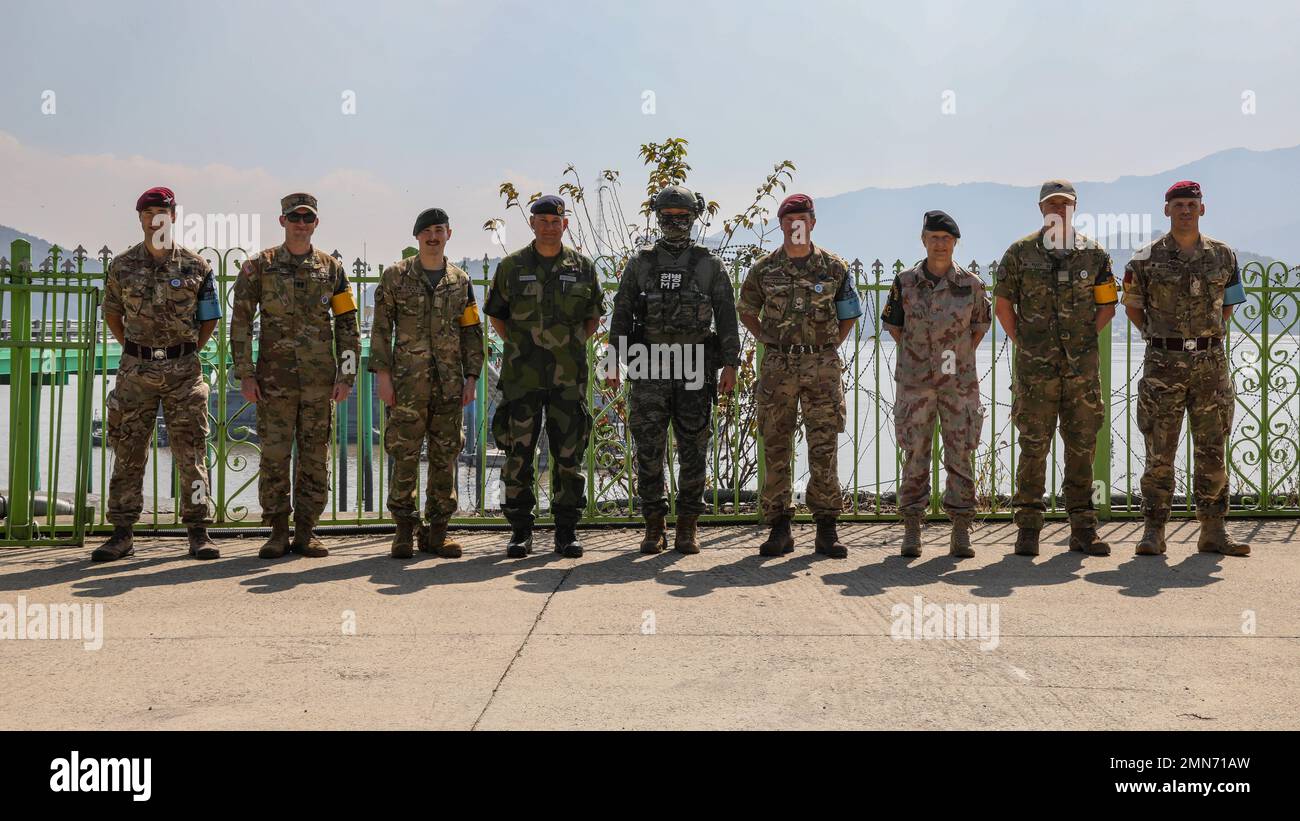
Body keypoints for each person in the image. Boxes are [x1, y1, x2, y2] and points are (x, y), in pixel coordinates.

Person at [606, 184, 740, 554]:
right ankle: (654, 525)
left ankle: (687, 527)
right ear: (658, 218)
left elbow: (727, 318)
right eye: (669, 217)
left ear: (694, 218)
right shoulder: (641, 264)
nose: (676, 223)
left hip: (694, 365)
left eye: (683, 217)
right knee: (648, 449)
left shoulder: (709, 266)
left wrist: (731, 364)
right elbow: (621, 312)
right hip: (648, 366)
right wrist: (611, 362)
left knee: (694, 448)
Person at [92, 186, 221, 562]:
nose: (155, 218)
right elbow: (113, 314)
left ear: (174, 216)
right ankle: (122, 533)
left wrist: (185, 350)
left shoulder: (197, 266)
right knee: (129, 450)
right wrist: (138, 349)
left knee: (190, 452)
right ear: (141, 219)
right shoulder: (122, 266)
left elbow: (209, 317)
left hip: (184, 371)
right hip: (137, 370)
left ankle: (199, 531)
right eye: (149, 212)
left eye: (162, 211)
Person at [1122, 180, 1249, 556]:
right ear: (1167, 210)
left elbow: (1229, 302)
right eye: (1178, 204)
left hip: (1211, 364)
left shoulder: (1223, 256)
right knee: (1159, 450)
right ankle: (1153, 531)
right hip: (1164, 364)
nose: (1185, 211)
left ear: (1202, 209)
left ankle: (1213, 530)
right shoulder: (1145, 259)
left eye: (1191, 204)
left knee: (1212, 447)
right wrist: (1155, 335)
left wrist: (1211, 333)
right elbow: (1132, 305)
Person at [230, 193, 360, 559]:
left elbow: (347, 324)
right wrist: (245, 373)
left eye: (308, 218)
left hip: (320, 382)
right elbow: (240, 322)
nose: (301, 223)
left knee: (315, 456)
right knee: (274, 455)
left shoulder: (331, 269)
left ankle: (307, 530)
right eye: (294, 217)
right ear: (282, 220)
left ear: (316, 223)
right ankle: (276, 531)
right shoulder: (259, 266)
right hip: (274, 380)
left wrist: (346, 375)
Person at [993, 180, 1117, 557]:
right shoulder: (1019, 254)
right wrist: (1028, 345)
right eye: (1052, 204)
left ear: (1075, 207)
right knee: (1033, 447)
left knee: (1081, 447)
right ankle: (1028, 528)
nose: (1058, 209)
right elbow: (1002, 306)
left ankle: (1082, 528)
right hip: (1035, 372)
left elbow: (1107, 306)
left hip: (1081, 371)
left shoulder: (1094, 256)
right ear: (1040, 208)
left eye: (1064, 204)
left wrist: (1079, 341)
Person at [737, 193, 861, 558]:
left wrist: (829, 345)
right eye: (790, 220)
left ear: (812, 223)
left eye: (802, 219)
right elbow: (746, 310)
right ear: (782, 226)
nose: (796, 226)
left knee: (823, 445)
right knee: (776, 444)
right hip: (779, 368)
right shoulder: (764, 269)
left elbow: (849, 312)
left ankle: (826, 528)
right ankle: (779, 528)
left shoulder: (834, 268)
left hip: (821, 367)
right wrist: (765, 338)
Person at [483, 195, 604, 558]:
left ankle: (566, 531)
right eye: (543, 220)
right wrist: (525, 346)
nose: (550, 226)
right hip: (523, 377)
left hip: (568, 378)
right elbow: (497, 317)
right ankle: (521, 531)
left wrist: (567, 346)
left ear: (564, 225)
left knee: (569, 456)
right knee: (518, 454)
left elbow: (593, 319)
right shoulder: (511, 267)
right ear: (532, 224)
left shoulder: (582, 267)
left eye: (556, 220)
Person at [370, 208, 484, 558]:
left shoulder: (460, 281)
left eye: (439, 230)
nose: (433, 236)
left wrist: (472, 377)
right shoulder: (395, 277)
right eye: (426, 231)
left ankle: (438, 532)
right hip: (406, 384)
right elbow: (380, 330)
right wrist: (383, 377)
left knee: (444, 456)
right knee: (404, 455)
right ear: (416, 237)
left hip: (449, 385)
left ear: (449, 233)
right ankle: (404, 530)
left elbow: (471, 332)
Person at [881, 210, 991, 558]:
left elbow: (979, 327)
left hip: (958, 385)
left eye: (946, 239)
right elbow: (895, 327)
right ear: (924, 240)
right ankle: (912, 528)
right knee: (915, 454)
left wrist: (953, 356)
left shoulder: (971, 285)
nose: (940, 244)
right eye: (933, 238)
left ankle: (960, 529)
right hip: (915, 384)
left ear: (955, 242)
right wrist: (920, 357)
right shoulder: (904, 283)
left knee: (960, 454)